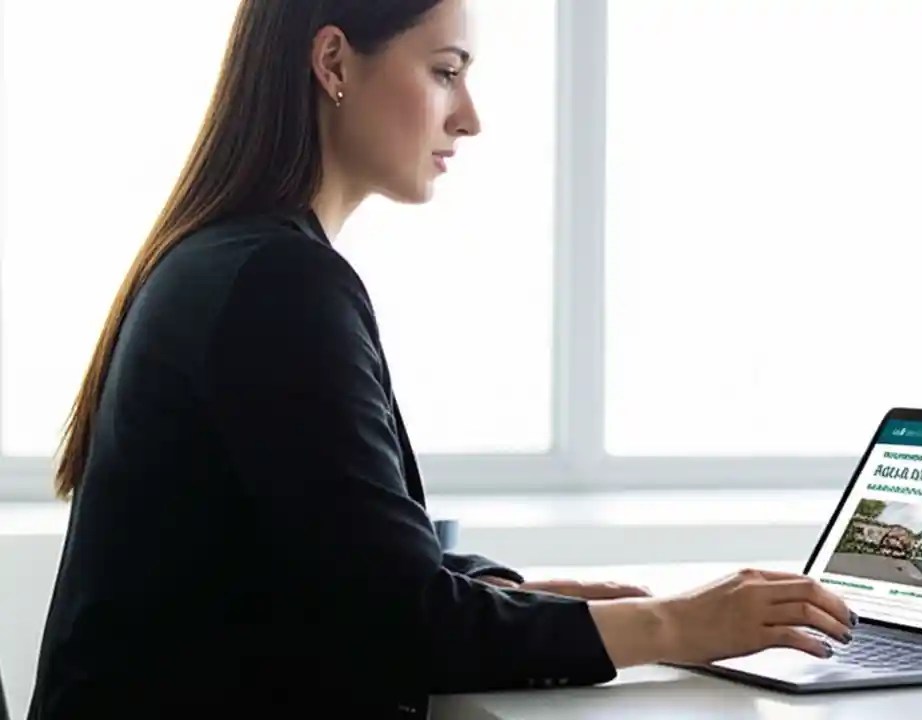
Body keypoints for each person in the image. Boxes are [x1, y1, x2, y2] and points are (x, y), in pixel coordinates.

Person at [26, 1, 855, 717]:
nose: (469, 116)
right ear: (333, 62)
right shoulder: (277, 283)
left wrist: (510, 593)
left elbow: (333, 556)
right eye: (445, 71)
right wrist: (678, 626)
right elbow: (402, 626)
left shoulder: (224, 259)